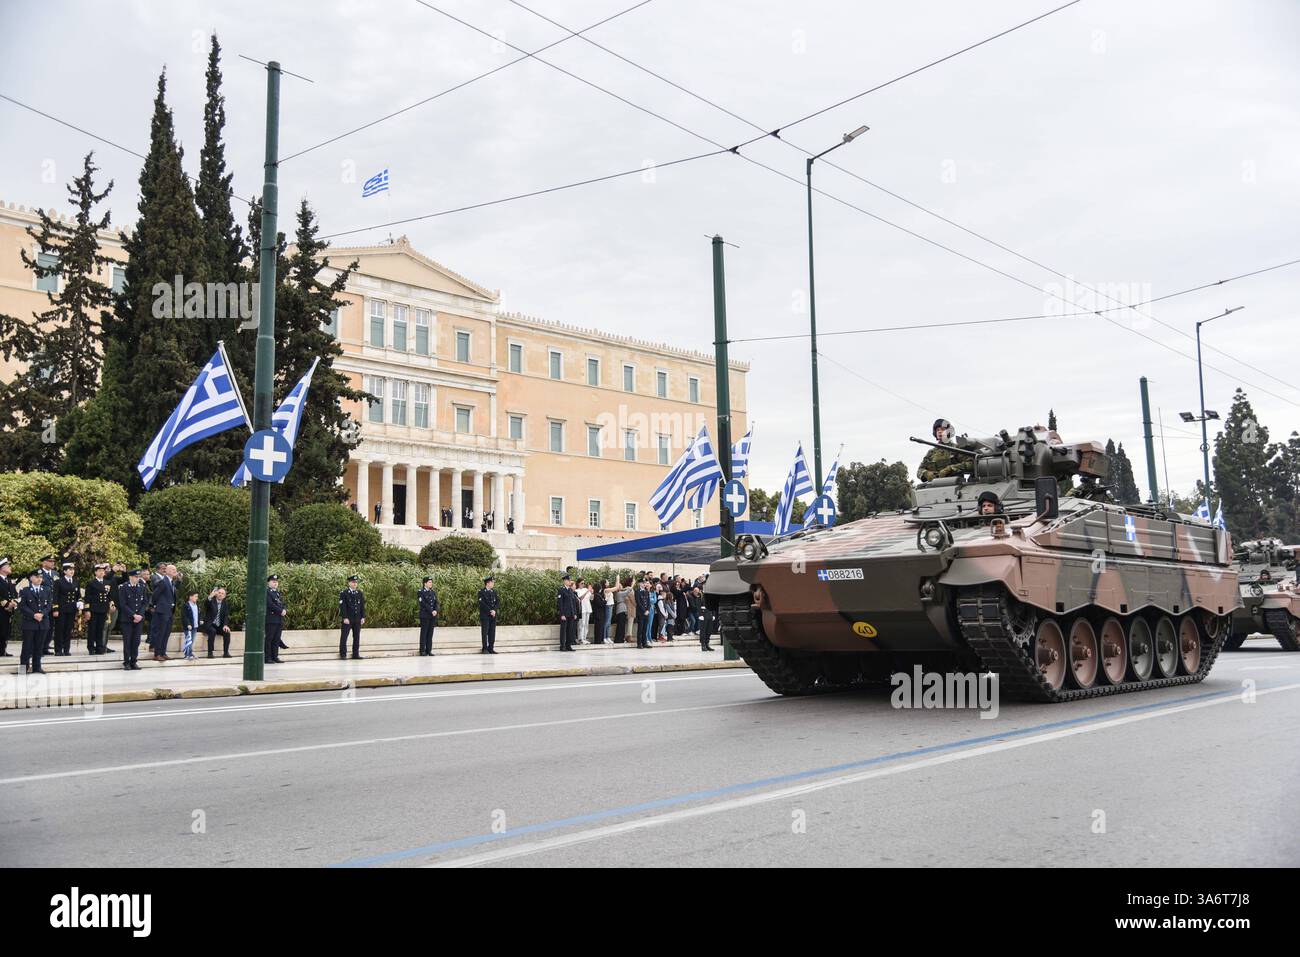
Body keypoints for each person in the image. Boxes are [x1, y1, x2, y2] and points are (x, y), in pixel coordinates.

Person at [918, 418, 969, 483]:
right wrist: (926, 473)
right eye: (937, 430)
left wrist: (950, 469)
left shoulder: (956, 448)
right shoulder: (931, 453)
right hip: (935, 485)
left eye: (942, 429)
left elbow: (970, 463)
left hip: (955, 484)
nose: (939, 431)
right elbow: (920, 470)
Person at [19, 568, 49, 674]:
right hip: (29, 623)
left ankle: (37, 667)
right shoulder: (25, 591)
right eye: (37, 577)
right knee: (27, 646)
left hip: (42, 623)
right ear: (31, 578)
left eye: (41, 577)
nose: (40, 579)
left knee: (39, 646)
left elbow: (48, 605)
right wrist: (33, 615)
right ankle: (23, 668)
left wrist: (42, 614)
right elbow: (22, 606)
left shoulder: (46, 590)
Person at [117, 568, 147, 671]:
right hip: (127, 619)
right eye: (135, 577)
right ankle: (127, 662)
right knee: (128, 641)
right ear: (130, 577)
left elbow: (144, 603)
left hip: (139, 619)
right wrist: (133, 615)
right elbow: (123, 604)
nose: (137, 579)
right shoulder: (124, 587)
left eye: (138, 577)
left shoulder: (142, 586)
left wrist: (140, 615)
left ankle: (134, 661)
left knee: (136, 641)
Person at [148, 562, 176, 661]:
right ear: (167, 571)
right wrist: (155, 605)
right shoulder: (163, 581)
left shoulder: (171, 581)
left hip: (169, 611)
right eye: (173, 570)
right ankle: (157, 654)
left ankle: (163, 652)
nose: (175, 572)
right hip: (162, 611)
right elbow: (155, 595)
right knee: (160, 632)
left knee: (166, 633)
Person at [52, 561, 81, 656]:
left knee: (68, 629)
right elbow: (55, 596)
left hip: (71, 609)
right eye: (70, 569)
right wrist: (55, 609)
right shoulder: (59, 582)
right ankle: (58, 650)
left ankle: (66, 649)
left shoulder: (76, 581)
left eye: (73, 569)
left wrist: (80, 602)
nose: (72, 571)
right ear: (64, 571)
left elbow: (78, 595)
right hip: (62, 609)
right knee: (60, 630)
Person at [84, 563, 113, 655]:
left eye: (103, 571)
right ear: (95, 572)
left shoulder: (106, 583)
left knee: (100, 629)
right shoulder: (91, 583)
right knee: (92, 629)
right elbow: (87, 597)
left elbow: (108, 596)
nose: (101, 573)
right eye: (99, 571)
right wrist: (87, 610)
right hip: (94, 609)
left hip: (103, 609)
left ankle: (100, 647)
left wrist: (111, 603)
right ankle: (91, 647)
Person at [339, 575, 366, 660]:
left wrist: (363, 617)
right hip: (348, 619)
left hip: (357, 619)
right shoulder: (344, 593)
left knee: (357, 637)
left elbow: (362, 606)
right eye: (353, 582)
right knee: (344, 636)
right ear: (349, 583)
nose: (355, 584)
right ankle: (343, 654)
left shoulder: (359, 593)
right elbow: (342, 606)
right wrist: (345, 617)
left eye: (356, 582)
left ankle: (355, 654)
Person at [204, 587, 232, 658]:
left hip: (219, 625)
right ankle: (210, 653)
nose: (220, 594)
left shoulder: (225, 603)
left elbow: (226, 615)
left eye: (222, 593)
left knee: (227, 632)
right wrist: (211, 595)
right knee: (212, 631)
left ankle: (226, 652)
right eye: (219, 593)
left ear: (224, 596)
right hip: (210, 624)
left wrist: (225, 625)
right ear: (216, 594)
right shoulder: (212, 601)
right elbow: (206, 604)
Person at [265, 574, 286, 663]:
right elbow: (270, 604)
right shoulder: (267, 592)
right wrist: (280, 611)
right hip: (271, 619)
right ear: (268, 583)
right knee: (269, 639)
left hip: (278, 619)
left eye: (276, 582)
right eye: (273, 582)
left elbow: (282, 603)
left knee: (276, 639)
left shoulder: (278, 593)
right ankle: (267, 657)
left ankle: (275, 656)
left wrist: (284, 609)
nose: (275, 583)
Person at [418, 576, 440, 655]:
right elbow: (423, 604)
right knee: (424, 633)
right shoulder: (421, 592)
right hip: (425, 615)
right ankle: (422, 650)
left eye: (431, 582)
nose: (431, 584)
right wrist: (431, 611)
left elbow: (436, 603)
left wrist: (436, 610)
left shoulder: (433, 592)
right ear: (425, 583)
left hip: (432, 616)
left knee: (430, 633)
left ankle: (429, 650)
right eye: (429, 582)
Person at [557, 574, 579, 652]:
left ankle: (568, 645)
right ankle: (562, 646)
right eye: (569, 580)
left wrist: (575, 613)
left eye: (570, 580)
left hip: (571, 614)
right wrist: (562, 614)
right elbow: (560, 603)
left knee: (570, 630)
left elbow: (573, 603)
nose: (570, 582)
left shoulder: (570, 590)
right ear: (565, 581)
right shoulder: (561, 590)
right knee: (563, 630)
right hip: (565, 614)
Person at [0, 557, 17, 658]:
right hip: (1, 609)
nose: (10, 567)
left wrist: (14, 603)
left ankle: (3, 650)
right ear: (2, 568)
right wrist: (6, 604)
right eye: (8, 566)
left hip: (8, 611)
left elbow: (14, 594)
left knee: (6, 631)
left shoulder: (9, 580)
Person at [478, 575, 499, 653]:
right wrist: (490, 611)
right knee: (485, 632)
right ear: (487, 583)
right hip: (485, 615)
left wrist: (494, 610)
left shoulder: (494, 592)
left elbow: (497, 602)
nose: (493, 584)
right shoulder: (481, 592)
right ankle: (485, 648)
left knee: (492, 632)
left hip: (493, 615)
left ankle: (491, 648)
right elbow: (482, 604)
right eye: (492, 582)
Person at [180, 591, 201, 660]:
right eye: (195, 596)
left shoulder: (197, 605)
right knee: (188, 640)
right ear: (190, 597)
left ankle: (190, 653)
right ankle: (187, 655)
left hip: (195, 626)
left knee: (192, 640)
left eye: (197, 596)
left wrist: (200, 620)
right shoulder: (186, 605)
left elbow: (199, 614)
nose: (197, 598)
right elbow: (184, 616)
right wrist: (188, 624)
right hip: (189, 626)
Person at [591, 579, 608, 644]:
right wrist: (605, 600)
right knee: (598, 628)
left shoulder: (597, 595)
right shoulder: (596, 595)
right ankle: (597, 640)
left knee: (599, 627)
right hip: (598, 615)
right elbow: (600, 604)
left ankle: (599, 640)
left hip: (599, 614)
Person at [575, 578, 592, 644]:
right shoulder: (577, 591)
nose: (583, 584)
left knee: (586, 624)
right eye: (582, 583)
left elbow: (591, 597)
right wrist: (587, 591)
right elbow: (580, 598)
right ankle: (580, 638)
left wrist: (590, 591)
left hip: (588, 608)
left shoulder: (585, 589)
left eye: (584, 583)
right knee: (582, 624)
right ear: (578, 583)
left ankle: (584, 638)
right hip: (582, 609)